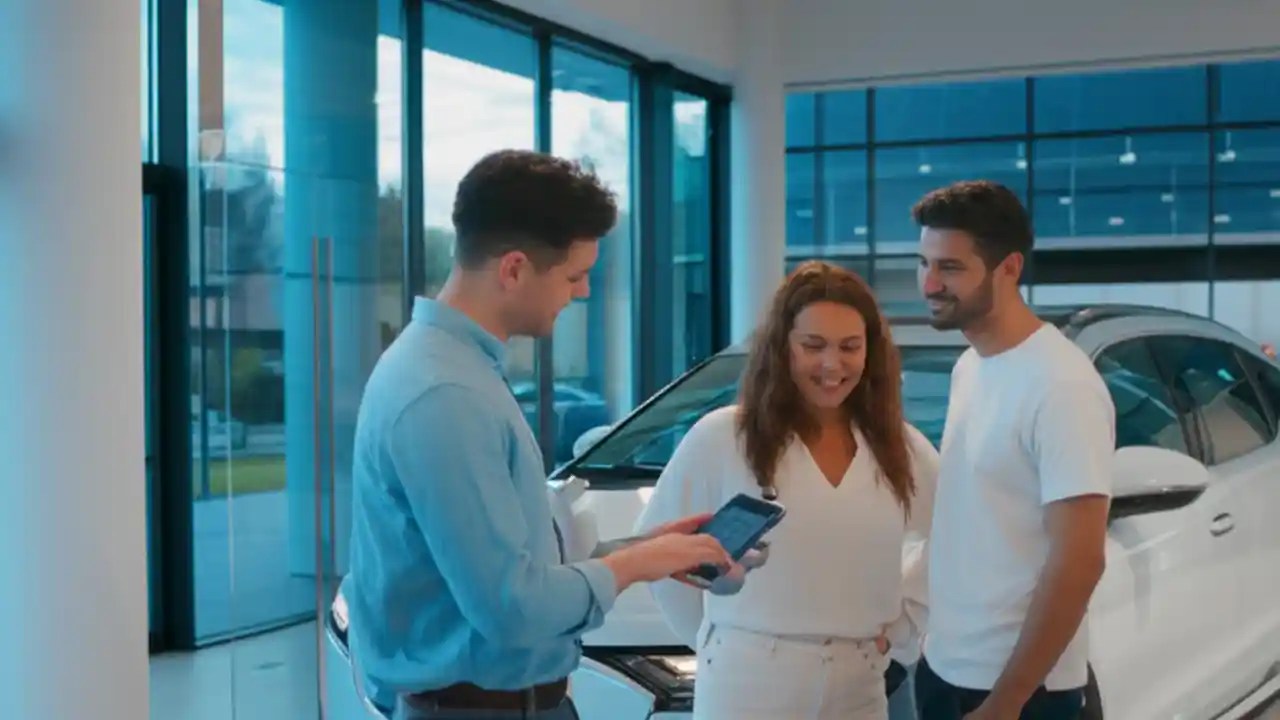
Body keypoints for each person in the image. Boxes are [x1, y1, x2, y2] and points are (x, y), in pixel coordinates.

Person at [341, 149, 739, 720]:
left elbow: (506, 566)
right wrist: (638, 565)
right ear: (513, 269)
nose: (580, 294)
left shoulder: (452, 369)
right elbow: (512, 608)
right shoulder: (446, 394)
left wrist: (646, 551)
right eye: (574, 276)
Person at [634, 261, 940, 720]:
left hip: (859, 681)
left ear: (870, 353)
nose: (832, 364)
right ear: (782, 349)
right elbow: (659, 556)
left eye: (849, 347)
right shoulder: (724, 436)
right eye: (813, 346)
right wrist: (723, 636)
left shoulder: (901, 446)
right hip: (749, 681)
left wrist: (901, 630)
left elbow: (956, 542)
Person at [911, 181, 1116, 720]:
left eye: (951, 268)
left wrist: (1007, 701)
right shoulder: (970, 367)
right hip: (945, 671)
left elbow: (1080, 561)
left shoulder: (1061, 385)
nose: (930, 283)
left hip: (1021, 696)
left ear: (1009, 268)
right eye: (924, 263)